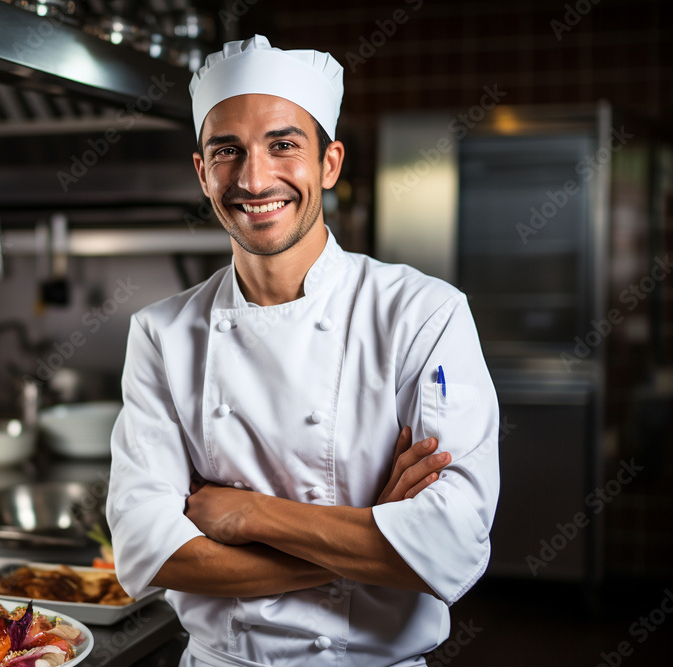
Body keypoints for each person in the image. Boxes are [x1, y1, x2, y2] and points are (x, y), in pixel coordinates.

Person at [105, 35, 500, 667]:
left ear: (330, 163)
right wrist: (374, 542)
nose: (254, 178)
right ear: (203, 173)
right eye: (226, 151)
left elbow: (451, 550)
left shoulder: (423, 314)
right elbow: (146, 550)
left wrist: (248, 514)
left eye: (283, 145)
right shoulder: (162, 333)